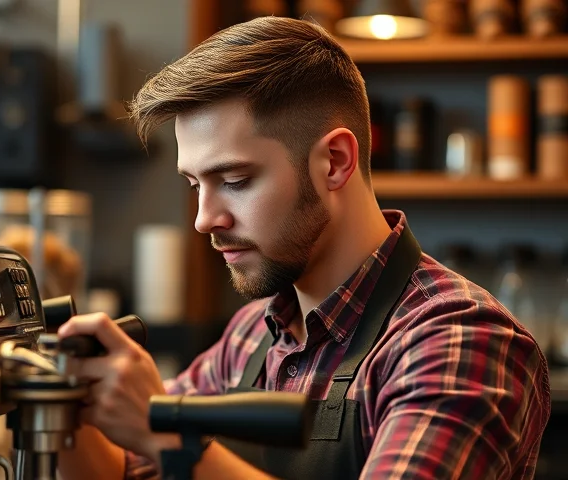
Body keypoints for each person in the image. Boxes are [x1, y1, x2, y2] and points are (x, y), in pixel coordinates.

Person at [55, 16, 551, 480]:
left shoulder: (458, 340)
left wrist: (166, 433)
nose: (205, 219)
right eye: (194, 185)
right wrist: (60, 403)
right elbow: (122, 469)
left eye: (234, 179)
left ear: (334, 162)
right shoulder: (251, 337)